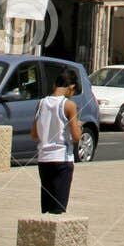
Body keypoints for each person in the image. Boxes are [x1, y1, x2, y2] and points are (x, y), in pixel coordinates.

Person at [30, 67, 82, 215]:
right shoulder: (69, 105)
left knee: (46, 207)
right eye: (73, 92)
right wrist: (78, 127)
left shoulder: (41, 103)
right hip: (62, 160)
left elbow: (34, 134)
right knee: (58, 209)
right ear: (71, 87)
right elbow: (76, 136)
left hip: (43, 160)